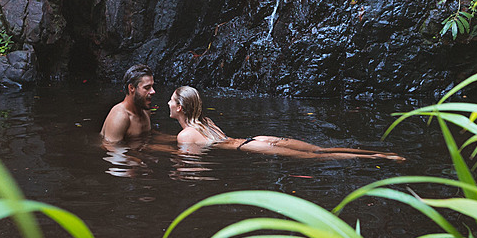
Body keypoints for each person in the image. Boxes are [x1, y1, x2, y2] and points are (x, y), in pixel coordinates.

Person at [166, 86, 404, 161]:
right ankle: (377, 154)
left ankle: (377, 159)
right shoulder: (205, 122)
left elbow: (193, 165)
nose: (166, 102)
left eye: (171, 100)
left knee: (317, 157)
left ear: (179, 108)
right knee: (319, 150)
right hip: (257, 138)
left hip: (247, 147)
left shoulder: (185, 135)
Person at [100, 63, 157, 144]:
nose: (153, 91)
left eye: (152, 86)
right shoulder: (120, 117)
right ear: (131, 88)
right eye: (147, 88)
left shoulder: (145, 110)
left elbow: (148, 136)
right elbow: (111, 150)